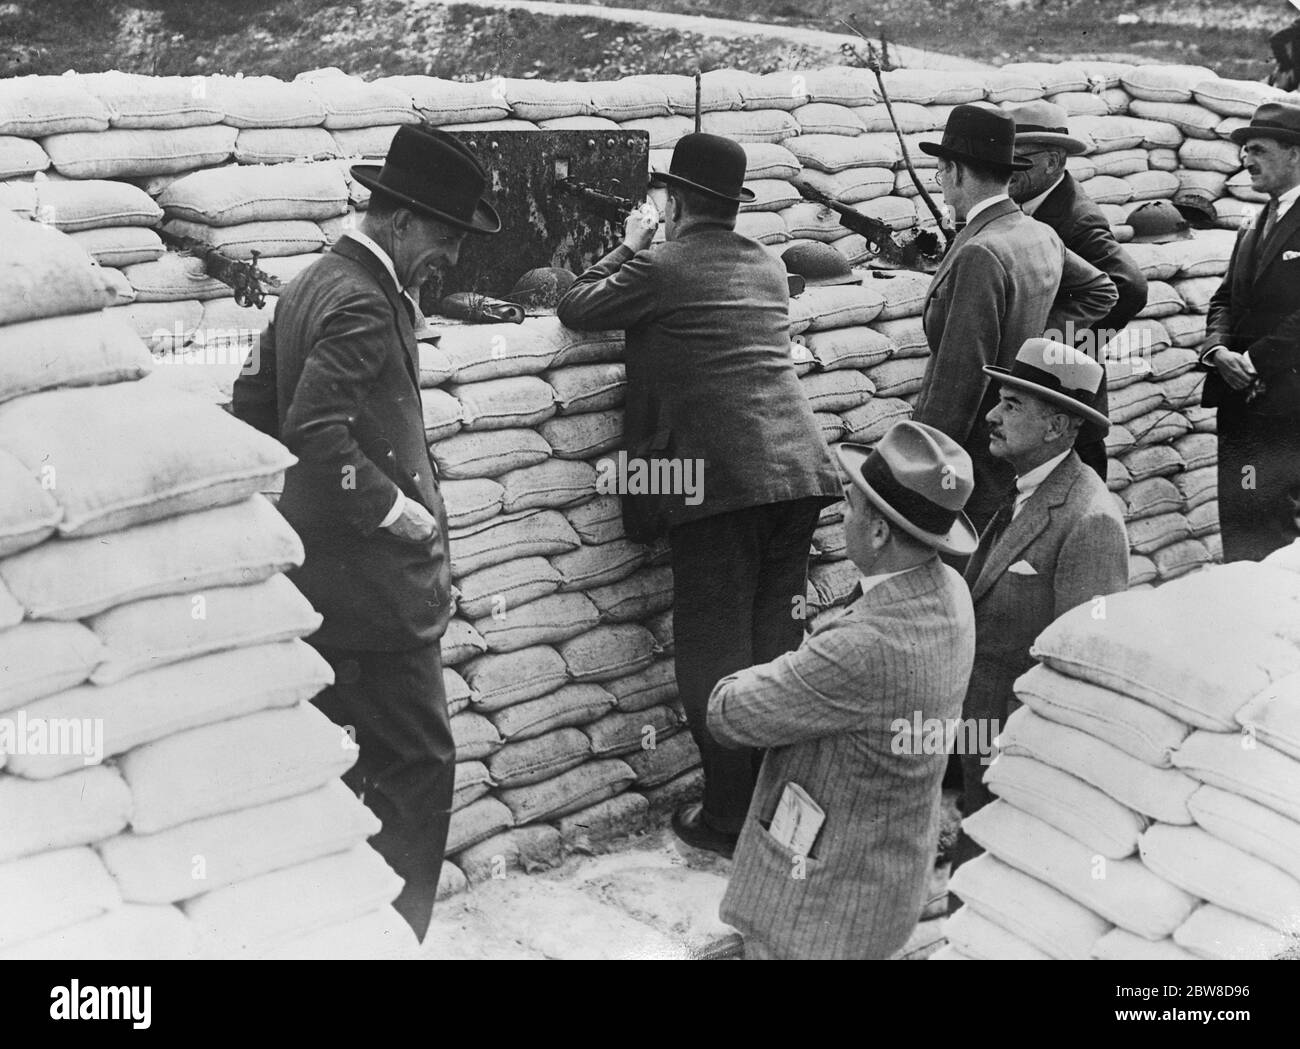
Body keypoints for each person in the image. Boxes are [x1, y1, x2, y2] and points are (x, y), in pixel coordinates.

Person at [230, 125, 501, 940]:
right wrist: (394, 510)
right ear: (402, 221)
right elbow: (317, 435)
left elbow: (253, 405)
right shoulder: (360, 301)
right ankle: (392, 939)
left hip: (321, 586)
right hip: (378, 595)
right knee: (419, 766)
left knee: (347, 772)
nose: (450, 257)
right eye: (447, 236)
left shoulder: (312, 281)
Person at [556, 133, 841, 858]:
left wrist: (629, 242)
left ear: (675, 202)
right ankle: (771, 809)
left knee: (711, 658)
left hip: (720, 485)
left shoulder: (663, 264)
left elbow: (575, 305)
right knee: (775, 649)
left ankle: (724, 820)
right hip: (798, 475)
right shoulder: (769, 266)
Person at [706, 421, 978, 960]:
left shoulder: (861, 648)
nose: (842, 517)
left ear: (878, 533)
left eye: (850, 506)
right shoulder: (951, 590)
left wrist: (795, 663)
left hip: (822, 907)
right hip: (891, 879)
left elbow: (728, 712)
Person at [949, 338, 1129, 877]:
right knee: (975, 850)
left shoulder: (1089, 519)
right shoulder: (1026, 489)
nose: (992, 416)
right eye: (999, 400)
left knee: (997, 872)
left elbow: (1082, 669)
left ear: (1056, 427)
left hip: (1020, 742)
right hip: (981, 729)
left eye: (1012, 405)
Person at [913, 103, 1118, 531]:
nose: (943, 186)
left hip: (974, 446)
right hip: (1011, 430)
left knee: (962, 562)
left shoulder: (980, 251)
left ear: (955, 172)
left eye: (940, 174)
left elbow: (960, 380)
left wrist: (920, 465)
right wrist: (1033, 350)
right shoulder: (1037, 232)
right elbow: (1102, 289)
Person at [1007, 100, 1149, 481]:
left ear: (1052, 162)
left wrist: (1052, 343)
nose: (1006, 170)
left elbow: (1130, 287)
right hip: (1043, 398)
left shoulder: (1075, 218)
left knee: (1079, 502)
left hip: (1068, 392)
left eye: (1018, 159)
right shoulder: (1031, 204)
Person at [1198, 100, 1300, 563]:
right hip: (1239, 406)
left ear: (1294, 154)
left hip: (1284, 406)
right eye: (1243, 150)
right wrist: (1217, 349)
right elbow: (1224, 299)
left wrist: (1254, 361)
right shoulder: (1254, 222)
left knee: (1276, 525)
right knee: (1240, 517)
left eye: (1257, 149)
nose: (1245, 160)